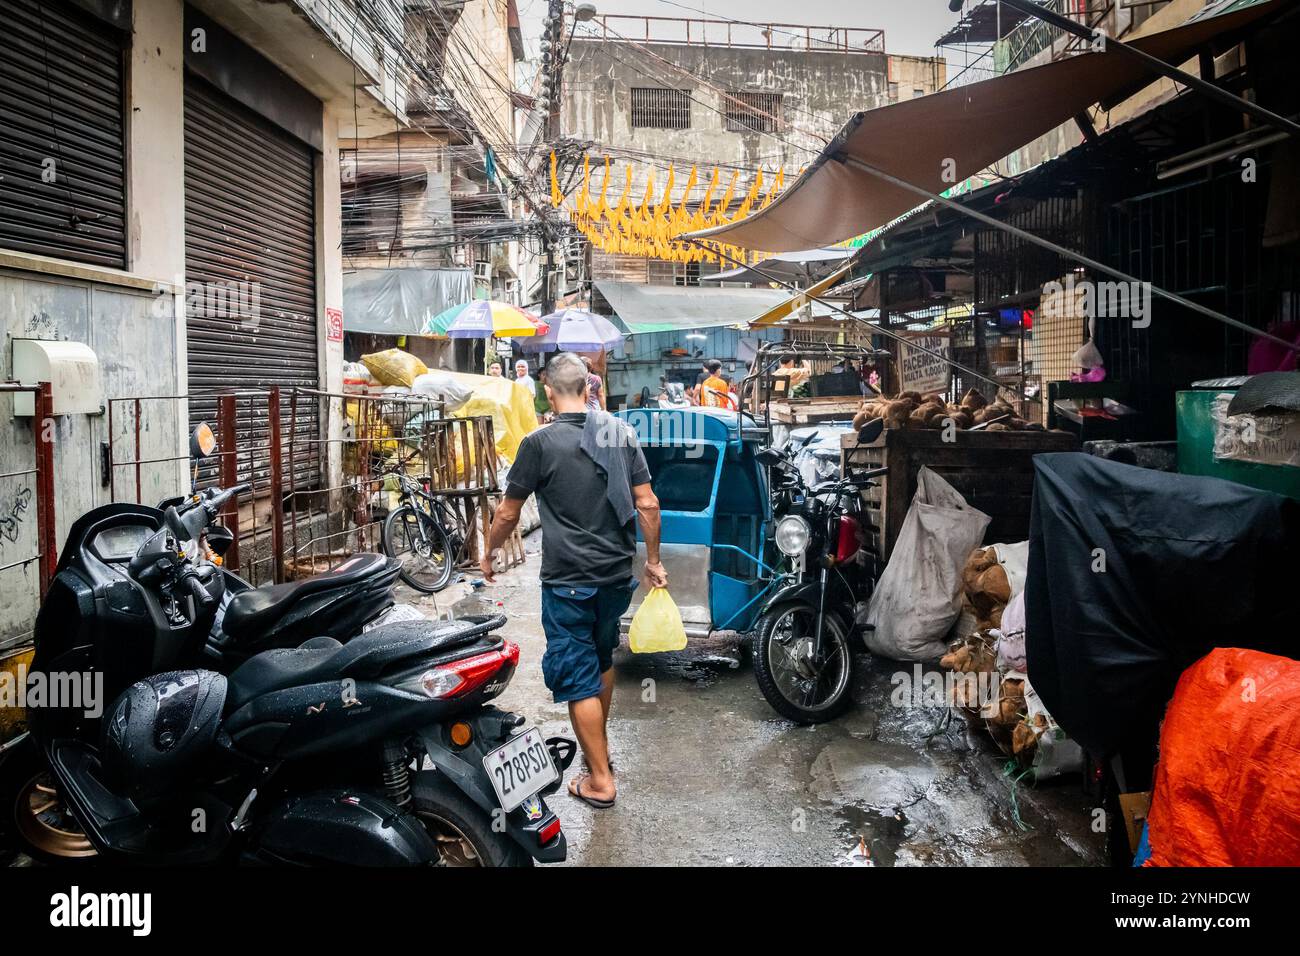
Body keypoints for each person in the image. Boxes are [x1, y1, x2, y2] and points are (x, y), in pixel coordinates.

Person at [480, 352, 667, 809]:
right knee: (601, 659)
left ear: (548, 390)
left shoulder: (538, 443)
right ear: (588, 388)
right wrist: (654, 560)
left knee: (578, 674)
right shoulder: (619, 432)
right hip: (615, 577)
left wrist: (489, 550)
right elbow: (648, 504)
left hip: (568, 581)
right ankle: (596, 756)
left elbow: (507, 510)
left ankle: (600, 780)